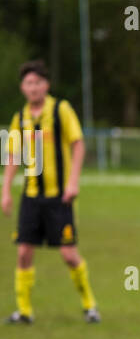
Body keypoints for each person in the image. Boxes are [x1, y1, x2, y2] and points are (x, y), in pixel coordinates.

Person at [1, 60, 100, 324]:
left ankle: (90, 306)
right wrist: (6, 191)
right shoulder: (20, 118)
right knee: (23, 253)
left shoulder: (60, 110)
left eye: (37, 82)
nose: (32, 88)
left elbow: (78, 145)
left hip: (60, 197)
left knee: (68, 254)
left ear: (46, 85)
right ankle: (24, 312)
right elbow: (12, 155)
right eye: (28, 83)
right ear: (23, 87)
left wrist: (73, 182)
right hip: (31, 197)